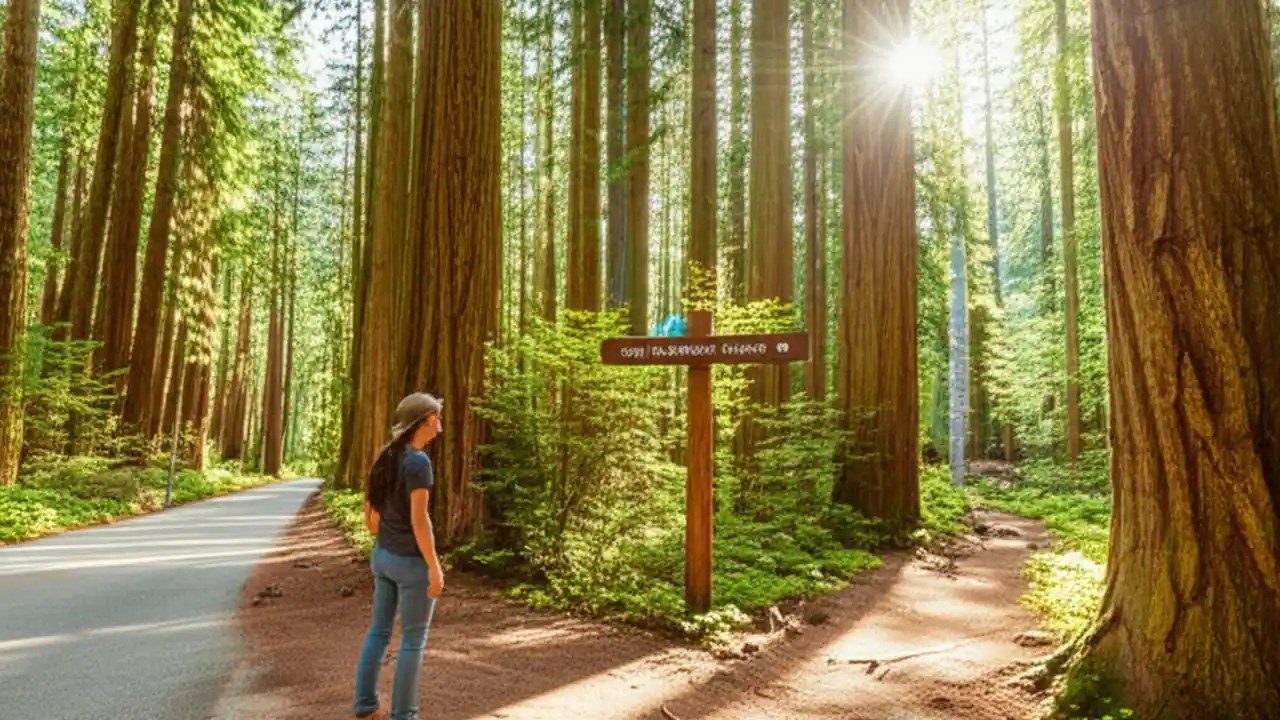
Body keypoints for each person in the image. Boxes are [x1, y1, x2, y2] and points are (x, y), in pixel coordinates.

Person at [354, 392, 445, 720]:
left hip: (383, 557)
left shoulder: (386, 456)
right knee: (413, 642)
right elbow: (420, 521)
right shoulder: (418, 463)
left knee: (378, 633)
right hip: (410, 563)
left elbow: (371, 521)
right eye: (436, 418)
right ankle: (404, 715)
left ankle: (366, 706)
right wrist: (434, 567)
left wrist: (389, 537)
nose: (440, 425)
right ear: (424, 421)